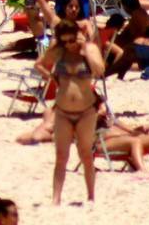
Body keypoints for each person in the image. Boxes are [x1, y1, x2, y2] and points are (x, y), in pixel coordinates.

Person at [35, 21, 104, 205]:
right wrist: (51, 78)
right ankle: (56, 198)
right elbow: (39, 64)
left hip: (86, 111)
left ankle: (91, 196)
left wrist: (85, 52)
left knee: (86, 154)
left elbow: (100, 70)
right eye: (66, 41)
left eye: (72, 40)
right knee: (61, 156)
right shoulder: (59, 51)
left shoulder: (89, 49)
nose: (70, 44)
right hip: (63, 111)